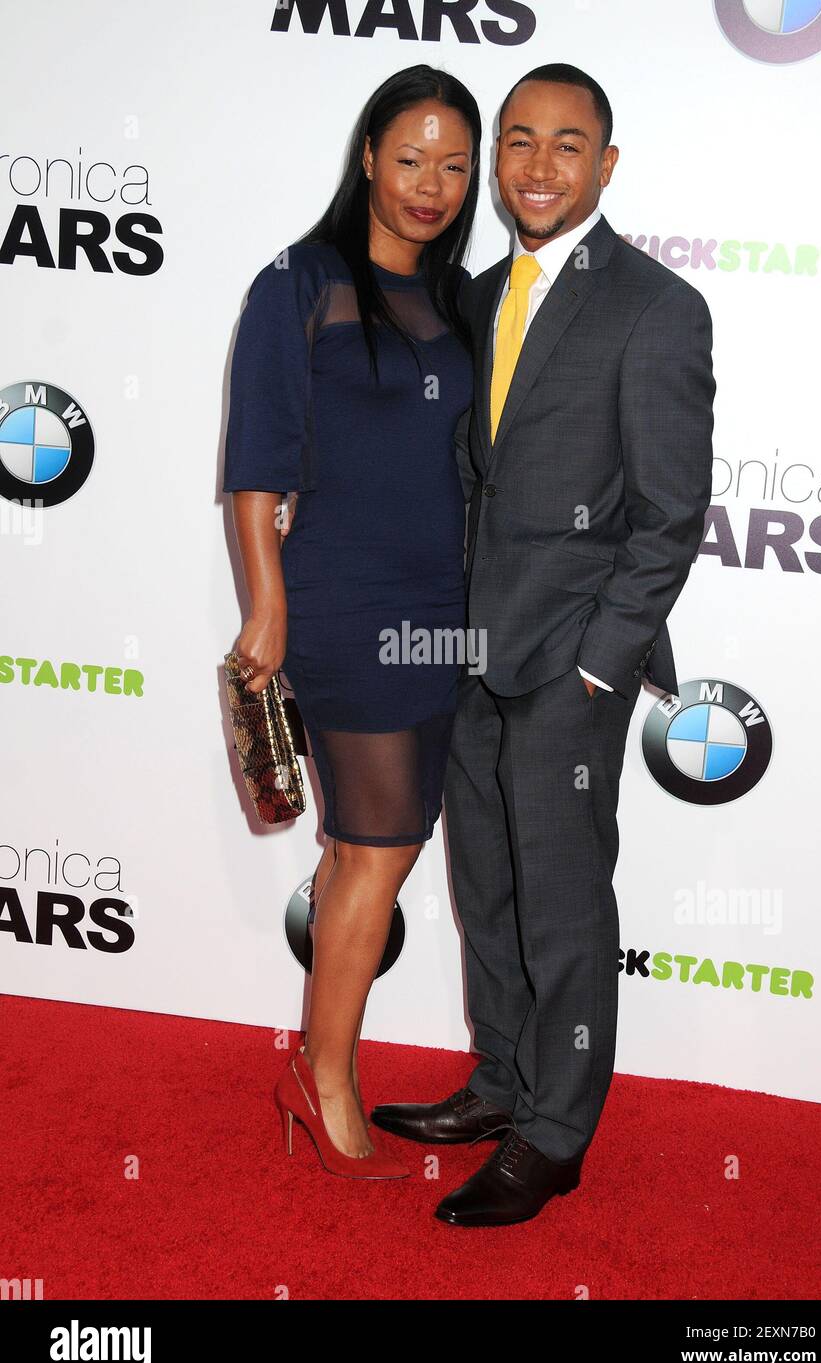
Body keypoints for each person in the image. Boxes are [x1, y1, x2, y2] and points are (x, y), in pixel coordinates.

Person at [372, 63, 716, 1224]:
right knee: (487, 882)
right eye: (514, 141)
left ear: (605, 165)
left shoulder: (657, 309)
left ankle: (556, 1133)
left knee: (563, 901)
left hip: (570, 661)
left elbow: (667, 517)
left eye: (565, 145)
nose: (533, 166)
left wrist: (595, 661)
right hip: (469, 647)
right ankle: (501, 1082)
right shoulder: (472, 297)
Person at [223, 65, 480, 1179]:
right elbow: (256, 461)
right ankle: (323, 1075)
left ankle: (319, 1058)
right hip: (342, 604)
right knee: (372, 852)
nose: (431, 184)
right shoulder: (302, 281)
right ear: (369, 152)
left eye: (454, 164)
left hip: (447, 613)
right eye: (411, 156)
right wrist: (265, 611)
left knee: (373, 848)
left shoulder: (461, 299)